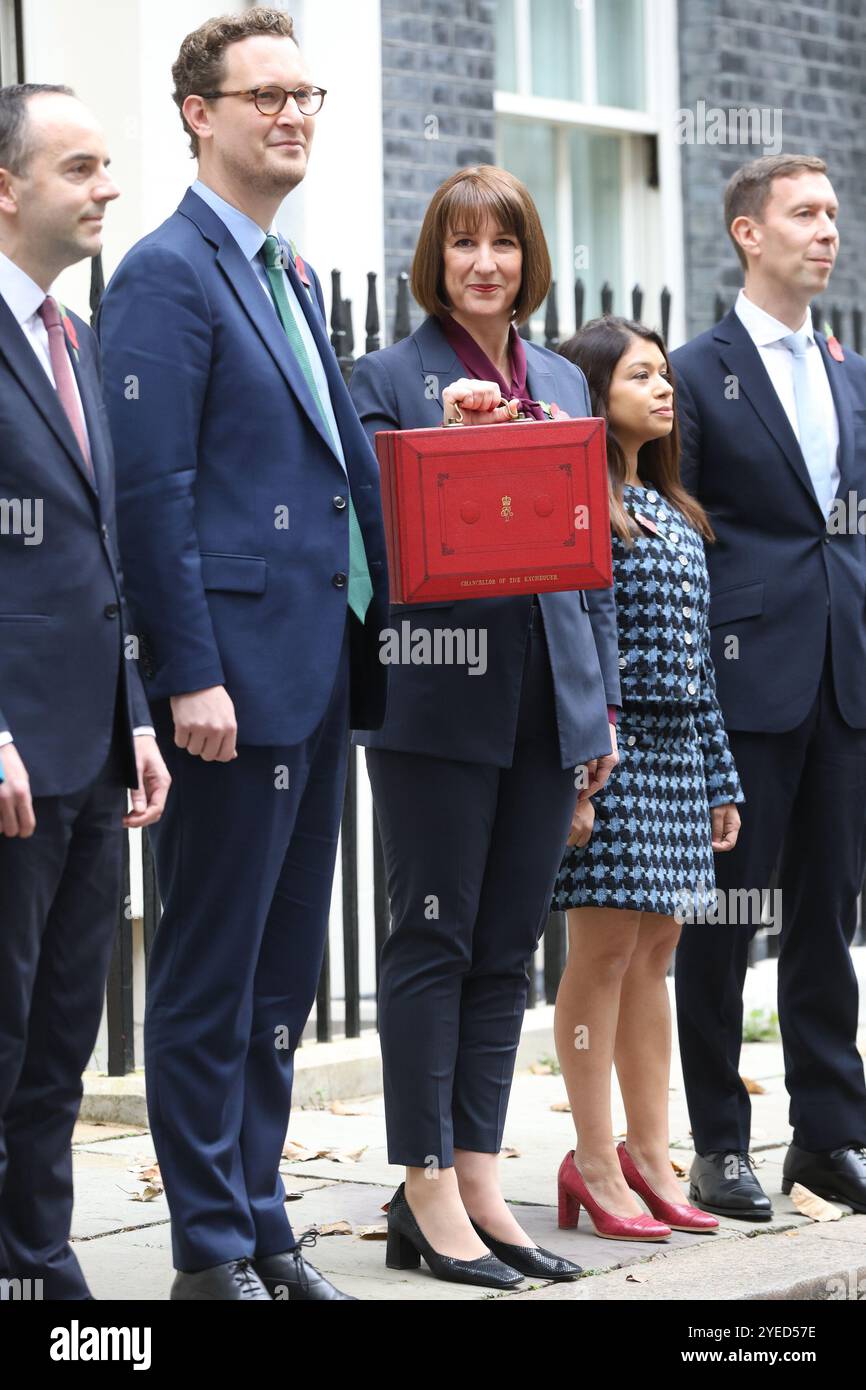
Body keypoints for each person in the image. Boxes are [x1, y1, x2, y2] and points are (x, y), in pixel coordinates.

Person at [98, 8, 389, 1300]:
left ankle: (264, 1214)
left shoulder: (294, 275)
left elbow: (326, 465)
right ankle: (207, 1244)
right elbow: (149, 492)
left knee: (282, 974)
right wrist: (187, 671)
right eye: (263, 94)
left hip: (315, 667)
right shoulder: (167, 273)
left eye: (306, 94)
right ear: (197, 115)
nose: (291, 114)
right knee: (211, 971)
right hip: (228, 685)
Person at [349, 164, 621, 1289]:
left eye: (501, 243)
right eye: (460, 243)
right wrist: (460, 443)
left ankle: (473, 1178)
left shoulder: (560, 375)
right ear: (434, 258)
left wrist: (596, 701)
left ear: (526, 259)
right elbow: (377, 553)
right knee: (431, 941)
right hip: (432, 699)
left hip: (543, 706)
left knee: (506, 952)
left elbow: (589, 563)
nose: (482, 263)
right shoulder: (384, 378)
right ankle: (419, 1189)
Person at [671, 153, 866, 1220]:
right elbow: (684, 530)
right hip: (743, 686)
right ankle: (717, 1142)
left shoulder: (849, 370)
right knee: (721, 920)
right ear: (747, 232)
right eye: (803, 213)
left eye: (832, 214)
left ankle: (830, 1135)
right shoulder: (695, 373)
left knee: (825, 918)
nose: (825, 231)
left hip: (841, 681)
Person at [0, 83, 169, 1300]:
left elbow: (96, 553)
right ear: (7, 187)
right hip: (9, 755)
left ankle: (41, 1269)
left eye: (108, 166)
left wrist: (139, 716)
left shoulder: (76, 336)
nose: (107, 187)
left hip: (94, 749)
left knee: (63, 1036)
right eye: (81, 167)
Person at [552, 316, 743, 1241]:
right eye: (642, 375)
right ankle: (592, 1160)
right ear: (597, 389)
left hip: (677, 758)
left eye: (667, 374)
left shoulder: (674, 509)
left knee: (658, 950)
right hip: (613, 753)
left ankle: (651, 1154)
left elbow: (703, 664)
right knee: (602, 953)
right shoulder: (581, 501)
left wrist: (720, 777)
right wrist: (582, 774)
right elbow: (579, 650)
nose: (666, 389)